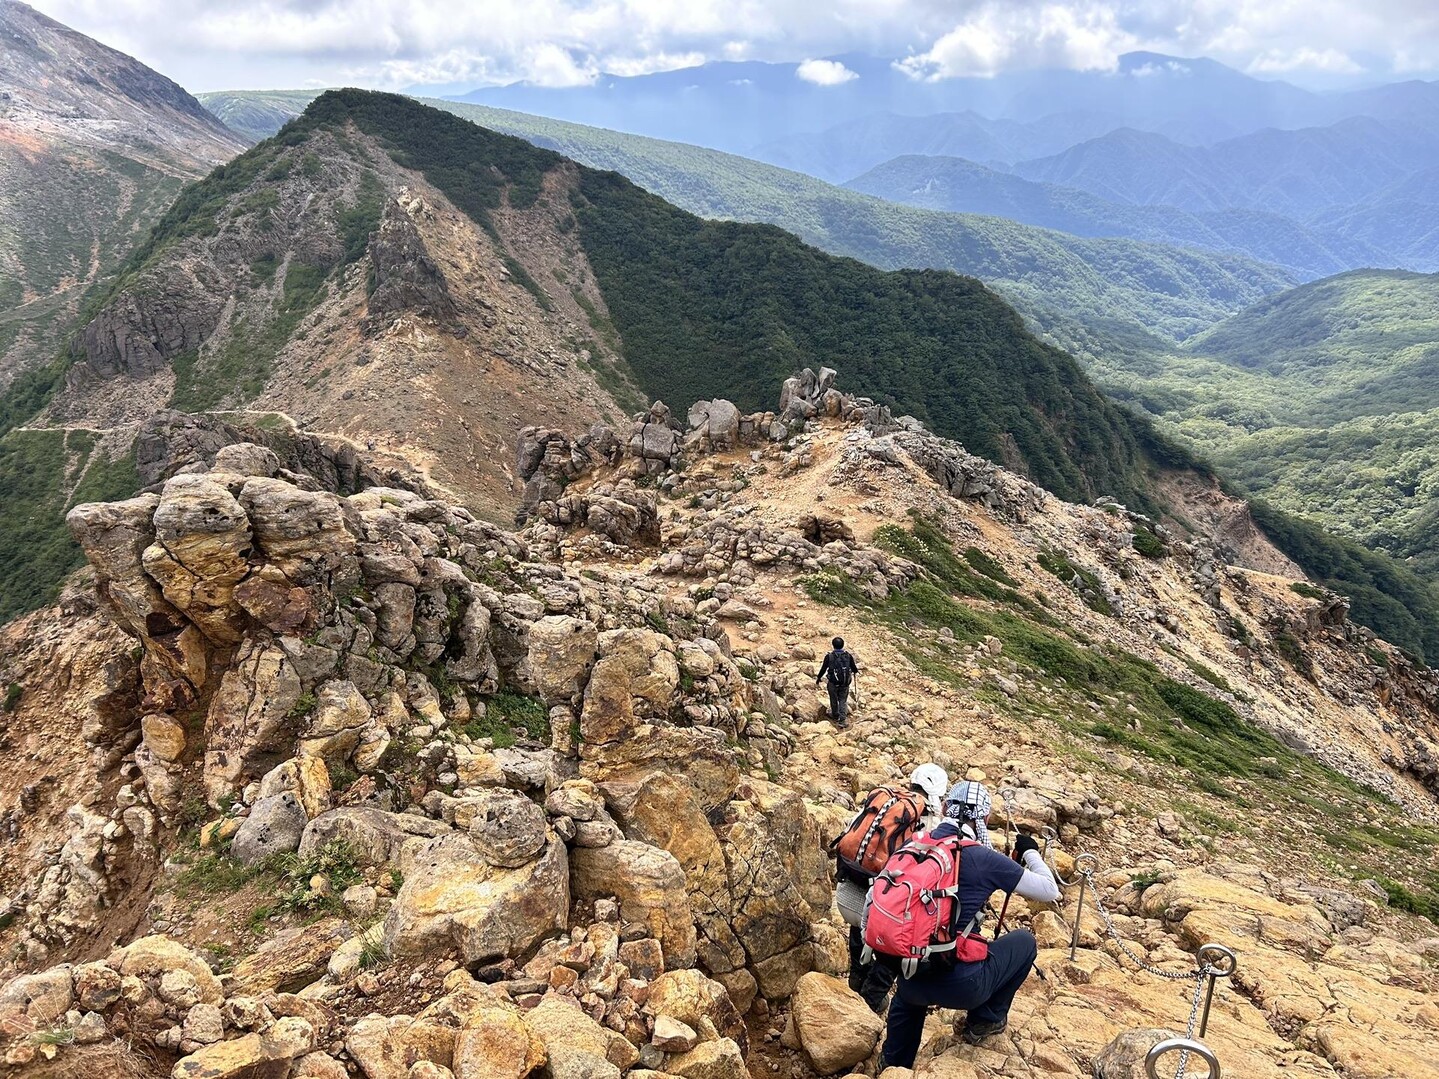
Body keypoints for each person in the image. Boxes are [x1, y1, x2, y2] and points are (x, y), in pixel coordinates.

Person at [879, 791, 1061, 1066]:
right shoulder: (983, 858)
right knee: (1024, 941)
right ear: (985, 818)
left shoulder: (914, 845)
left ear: (944, 808)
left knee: (908, 996)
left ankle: (893, 1063)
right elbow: (1049, 890)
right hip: (964, 986)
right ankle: (984, 1021)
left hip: (909, 975)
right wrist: (1030, 851)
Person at [840, 763, 949, 1012]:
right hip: (885, 899)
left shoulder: (887, 799)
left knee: (858, 932)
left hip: (853, 884)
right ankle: (870, 1003)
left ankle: (856, 982)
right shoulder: (927, 819)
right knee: (891, 953)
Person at [815, 636, 859, 726]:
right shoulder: (848, 655)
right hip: (844, 683)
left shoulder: (829, 656)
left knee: (833, 699)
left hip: (833, 683)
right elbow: (854, 669)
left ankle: (835, 715)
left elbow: (823, 668)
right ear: (843, 645)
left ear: (833, 645)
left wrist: (819, 678)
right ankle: (842, 720)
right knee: (843, 700)